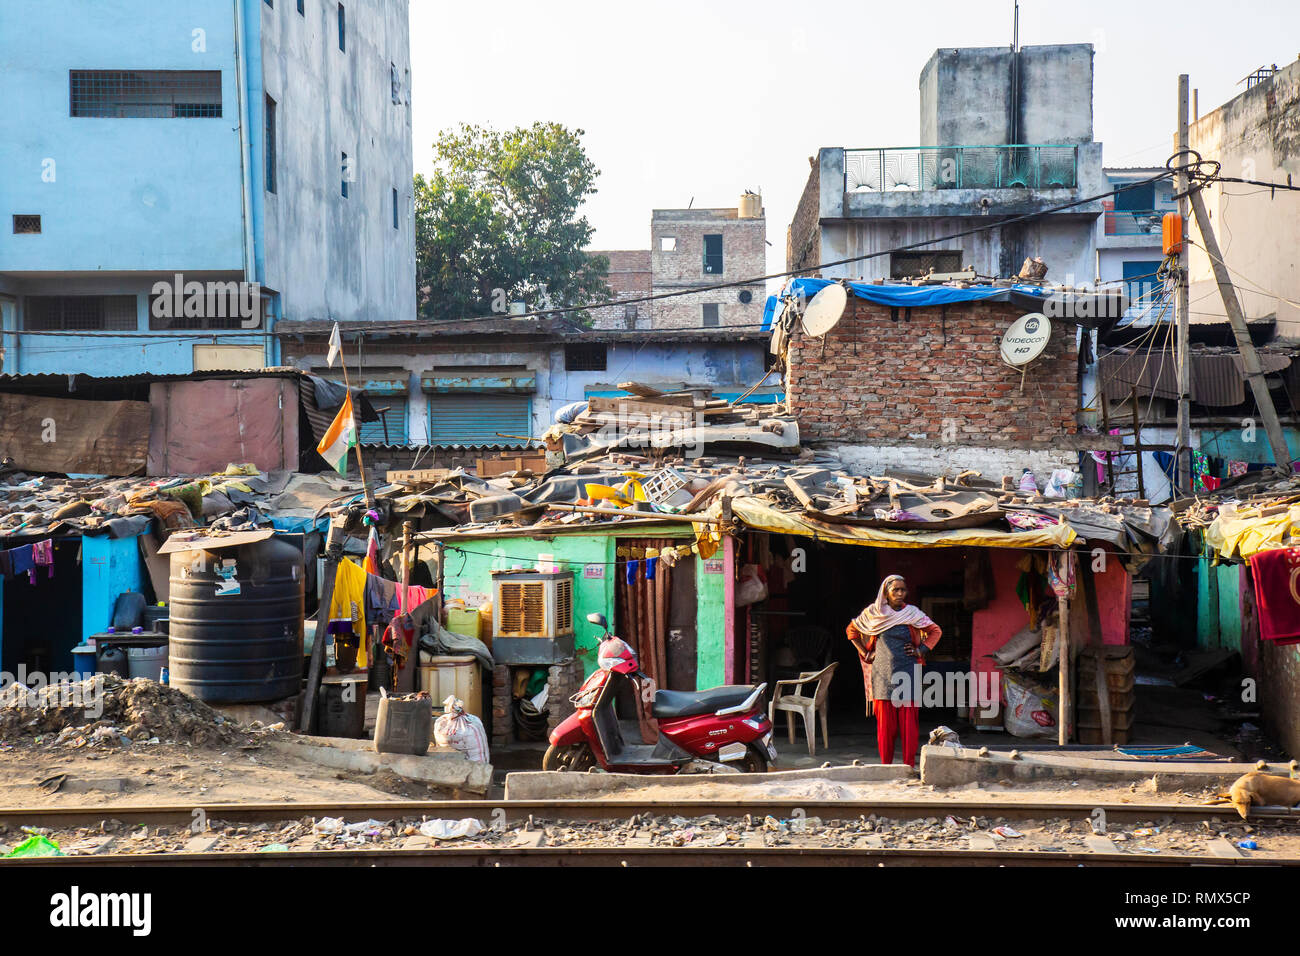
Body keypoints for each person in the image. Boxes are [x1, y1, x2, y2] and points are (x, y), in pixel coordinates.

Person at [846, 574, 942, 767]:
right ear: (885, 593)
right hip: (882, 675)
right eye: (895, 590)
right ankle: (886, 766)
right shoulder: (873, 613)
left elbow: (935, 631)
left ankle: (908, 766)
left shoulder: (912, 613)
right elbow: (852, 631)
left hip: (909, 672)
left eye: (903, 590)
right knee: (885, 727)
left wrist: (920, 650)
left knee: (909, 726)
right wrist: (865, 652)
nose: (900, 593)